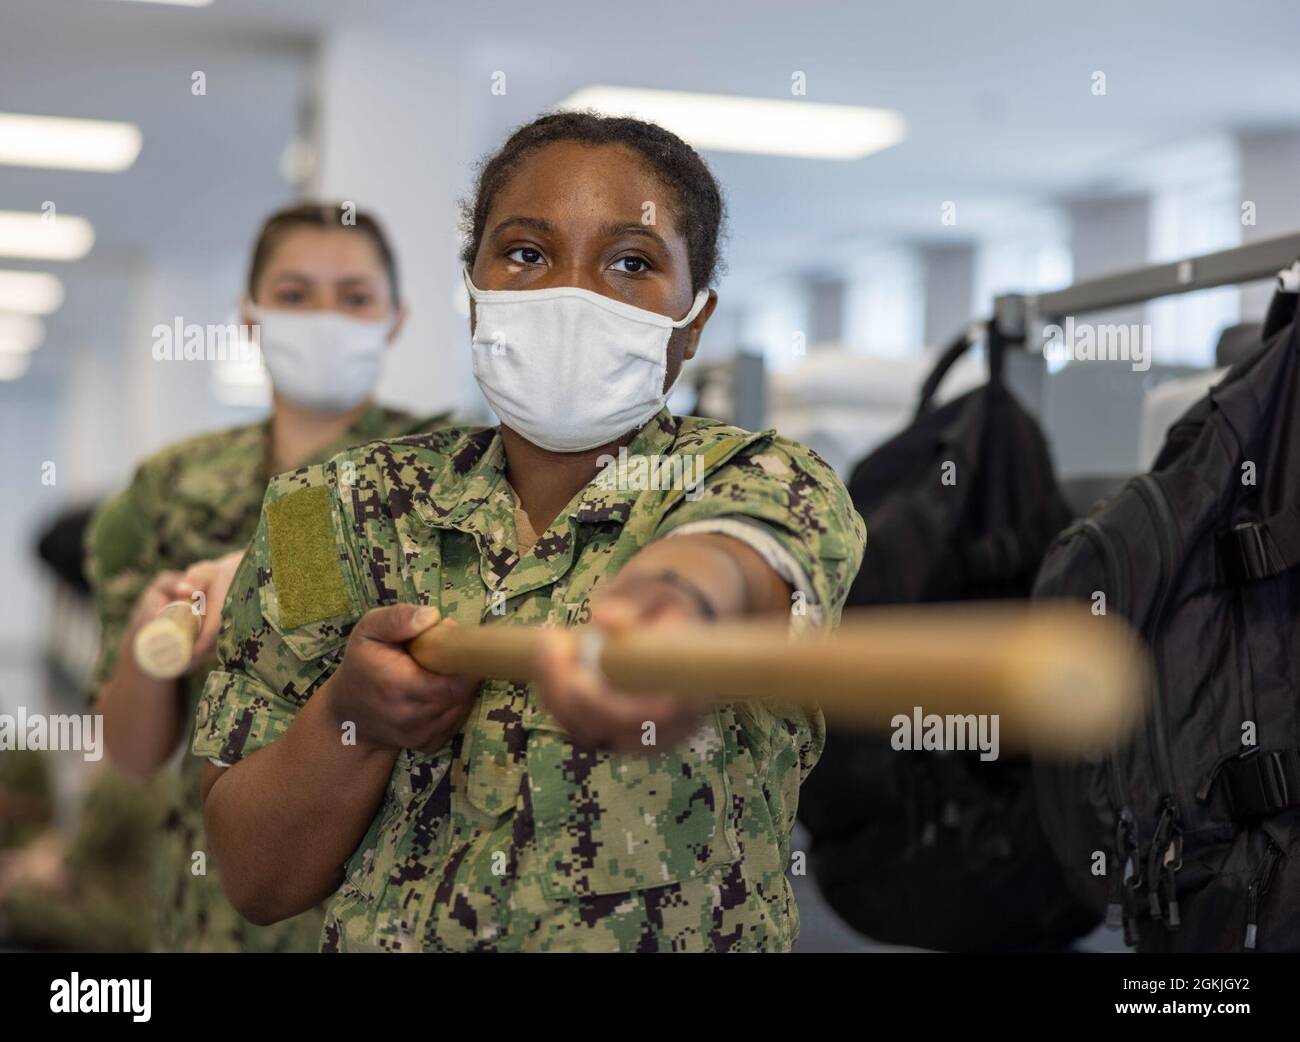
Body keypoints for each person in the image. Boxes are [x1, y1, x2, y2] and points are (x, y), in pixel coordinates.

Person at [195, 113, 866, 952]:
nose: (572, 296)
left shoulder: (764, 475)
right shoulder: (317, 509)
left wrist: (677, 606)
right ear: (472, 287)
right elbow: (258, 881)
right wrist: (350, 717)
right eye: (525, 253)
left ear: (692, 322)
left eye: (631, 262)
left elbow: (741, 554)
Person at [85, 201, 449, 952]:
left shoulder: (443, 474)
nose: (325, 316)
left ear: (395, 317)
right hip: (211, 906)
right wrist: (154, 644)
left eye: (354, 296)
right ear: (249, 316)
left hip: (386, 903)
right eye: (293, 294)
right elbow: (129, 751)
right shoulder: (172, 485)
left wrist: (261, 574)